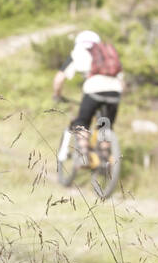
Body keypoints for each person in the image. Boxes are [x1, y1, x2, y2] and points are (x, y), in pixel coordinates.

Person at [52, 30, 123, 163]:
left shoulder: (78, 52)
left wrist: (57, 94)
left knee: (82, 122)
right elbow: (121, 80)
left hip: (94, 90)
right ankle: (105, 157)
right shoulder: (107, 54)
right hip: (115, 92)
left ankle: (83, 155)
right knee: (105, 126)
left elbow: (59, 79)